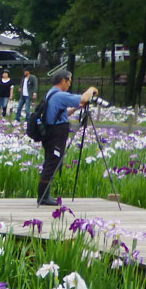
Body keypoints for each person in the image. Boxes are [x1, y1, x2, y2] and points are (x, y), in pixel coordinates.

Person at [36, 70, 97, 205]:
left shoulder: (51, 93)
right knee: (53, 162)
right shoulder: (60, 95)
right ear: (63, 81)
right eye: (69, 81)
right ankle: (43, 196)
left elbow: (59, 113)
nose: (70, 84)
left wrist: (75, 109)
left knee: (50, 161)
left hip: (50, 132)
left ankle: (44, 194)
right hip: (56, 134)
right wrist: (91, 89)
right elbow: (83, 98)